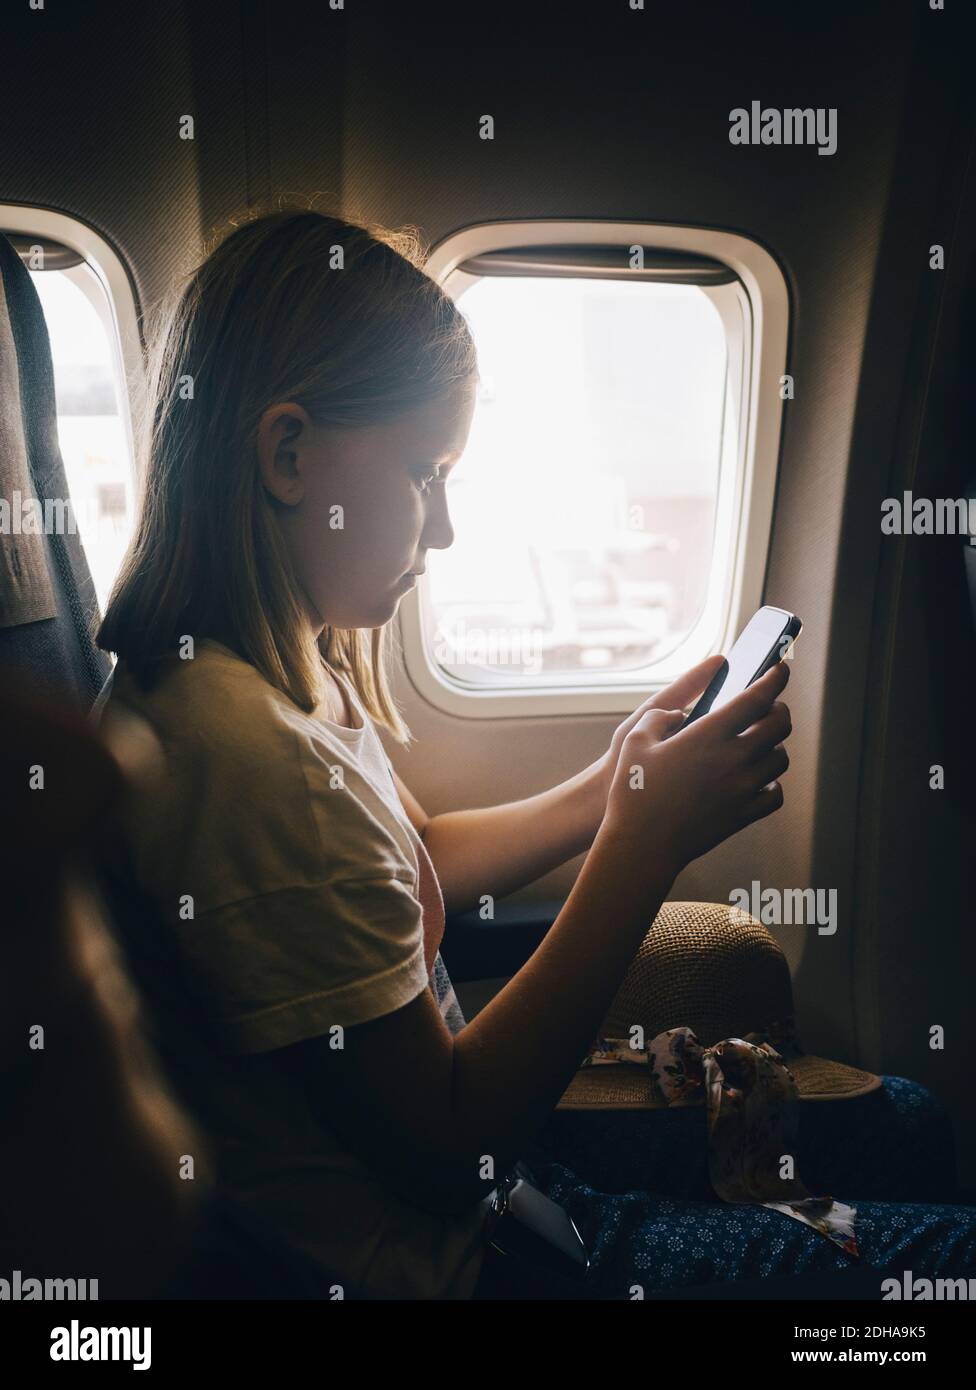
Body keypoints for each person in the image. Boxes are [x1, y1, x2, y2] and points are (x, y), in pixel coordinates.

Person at [92, 206, 976, 1300]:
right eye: (425, 471)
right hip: (469, 1261)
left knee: (907, 1124)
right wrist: (639, 850)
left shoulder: (282, 679)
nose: (445, 526)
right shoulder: (241, 757)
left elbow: (415, 857)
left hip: (506, 1209)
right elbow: (452, 1143)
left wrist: (612, 785)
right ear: (285, 453)